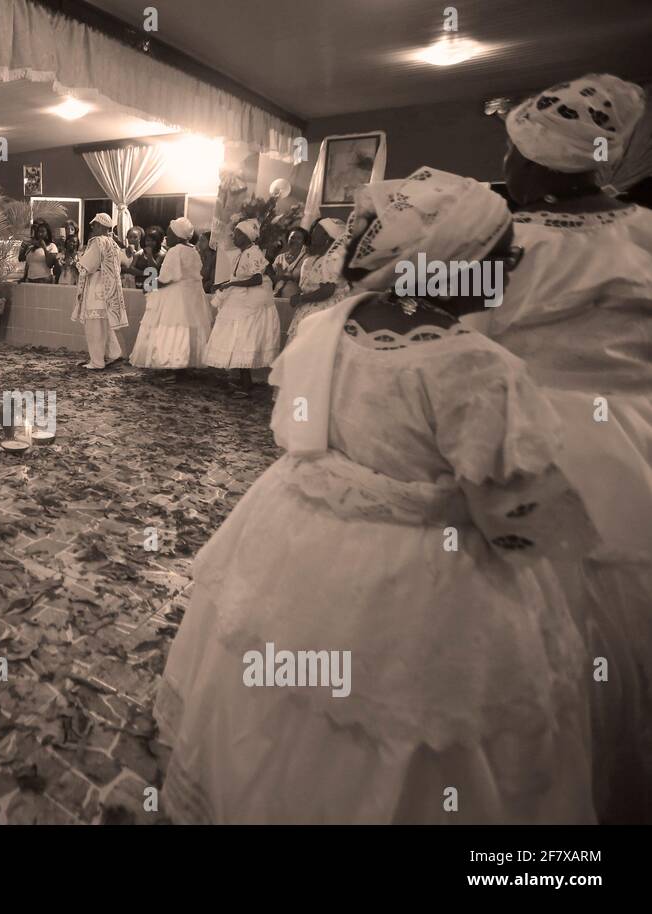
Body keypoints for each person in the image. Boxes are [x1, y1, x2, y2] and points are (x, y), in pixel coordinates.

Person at [157, 167, 598, 824]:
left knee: (290, 695)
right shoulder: (475, 365)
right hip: (421, 570)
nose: (514, 262)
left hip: (301, 537)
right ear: (456, 264)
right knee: (407, 721)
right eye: (504, 250)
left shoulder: (327, 327)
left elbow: (296, 429)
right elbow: (510, 507)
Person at [468, 72, 652, 823]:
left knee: (524, 619)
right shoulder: (646, 232)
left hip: (529, 436)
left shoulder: (507, 246)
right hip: (637, 449)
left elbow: (463, 349)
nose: (505, 165)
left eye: (512, 151)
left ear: (535, 161)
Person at [204, 219, 279, 396]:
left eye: (237, 234)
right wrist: (223, 284)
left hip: (250, 302)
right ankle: (244, 381)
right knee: (237, 339)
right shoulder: (242, 253)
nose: (233, 236)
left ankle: (246, 385)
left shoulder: (253, 252)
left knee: (242, 339)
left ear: (246, 236)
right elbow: (238, 277)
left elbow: (257, 279)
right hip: (241, 298)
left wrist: (231, 285)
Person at [130, 216, 211, 372]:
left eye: (169, 234)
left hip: (176, 299)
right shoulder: (194, 250)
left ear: (178, 236)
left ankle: (171, 367)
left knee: (171, 331)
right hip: (193, 298)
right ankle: (183, 367)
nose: (167, 237)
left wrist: (150, 286)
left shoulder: (175, 251)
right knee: (185, 331)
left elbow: (166, 278)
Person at [72, 212, 129, 370]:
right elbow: (125, 262)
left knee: (94, 327)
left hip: (96, 287)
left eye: (94, 225)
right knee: (104, 324)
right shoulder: (113, 243)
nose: (92, 228)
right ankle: (114, 354)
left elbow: (86, 266)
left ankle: (97, 362)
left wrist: (76, 263)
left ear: (99, 225)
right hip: (108, 289)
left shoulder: (98, 242)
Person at [287, 217, 350, 341]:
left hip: (323, 312)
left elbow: (327, 290)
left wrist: (301, 298)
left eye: (317, 231)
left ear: (327, 236)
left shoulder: (333, 259)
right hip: (308, 311)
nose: (312, 234)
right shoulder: (313, 259)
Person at [271, 226, 309, 298]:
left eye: (299, 238)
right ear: (287, 239)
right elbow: (272, 280)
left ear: (304, 241)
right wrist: (278, 276)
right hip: (277, 297)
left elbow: (307, 282)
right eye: (292, 237)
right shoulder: (279, 258)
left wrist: (283, 276)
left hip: (295, 297)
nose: (294, 240)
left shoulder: (306, 258)